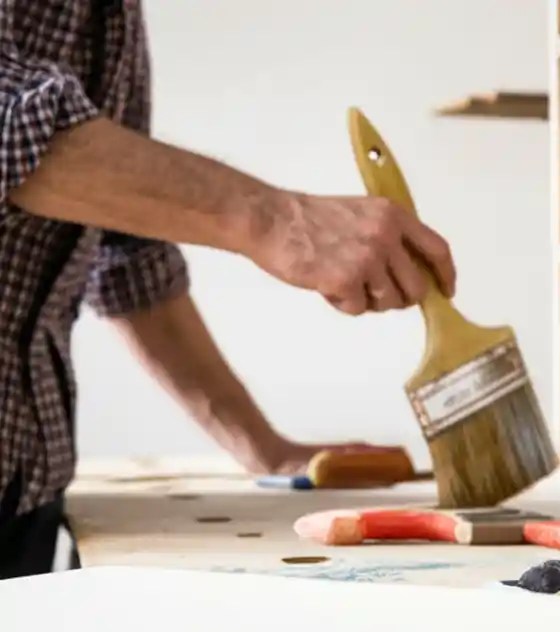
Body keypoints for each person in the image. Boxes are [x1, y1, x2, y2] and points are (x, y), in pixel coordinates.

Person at [0, 1, 457, 577]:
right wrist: (276, 219)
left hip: (28, 486)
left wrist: (261, 447)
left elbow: (128, 254)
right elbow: (10, 133)